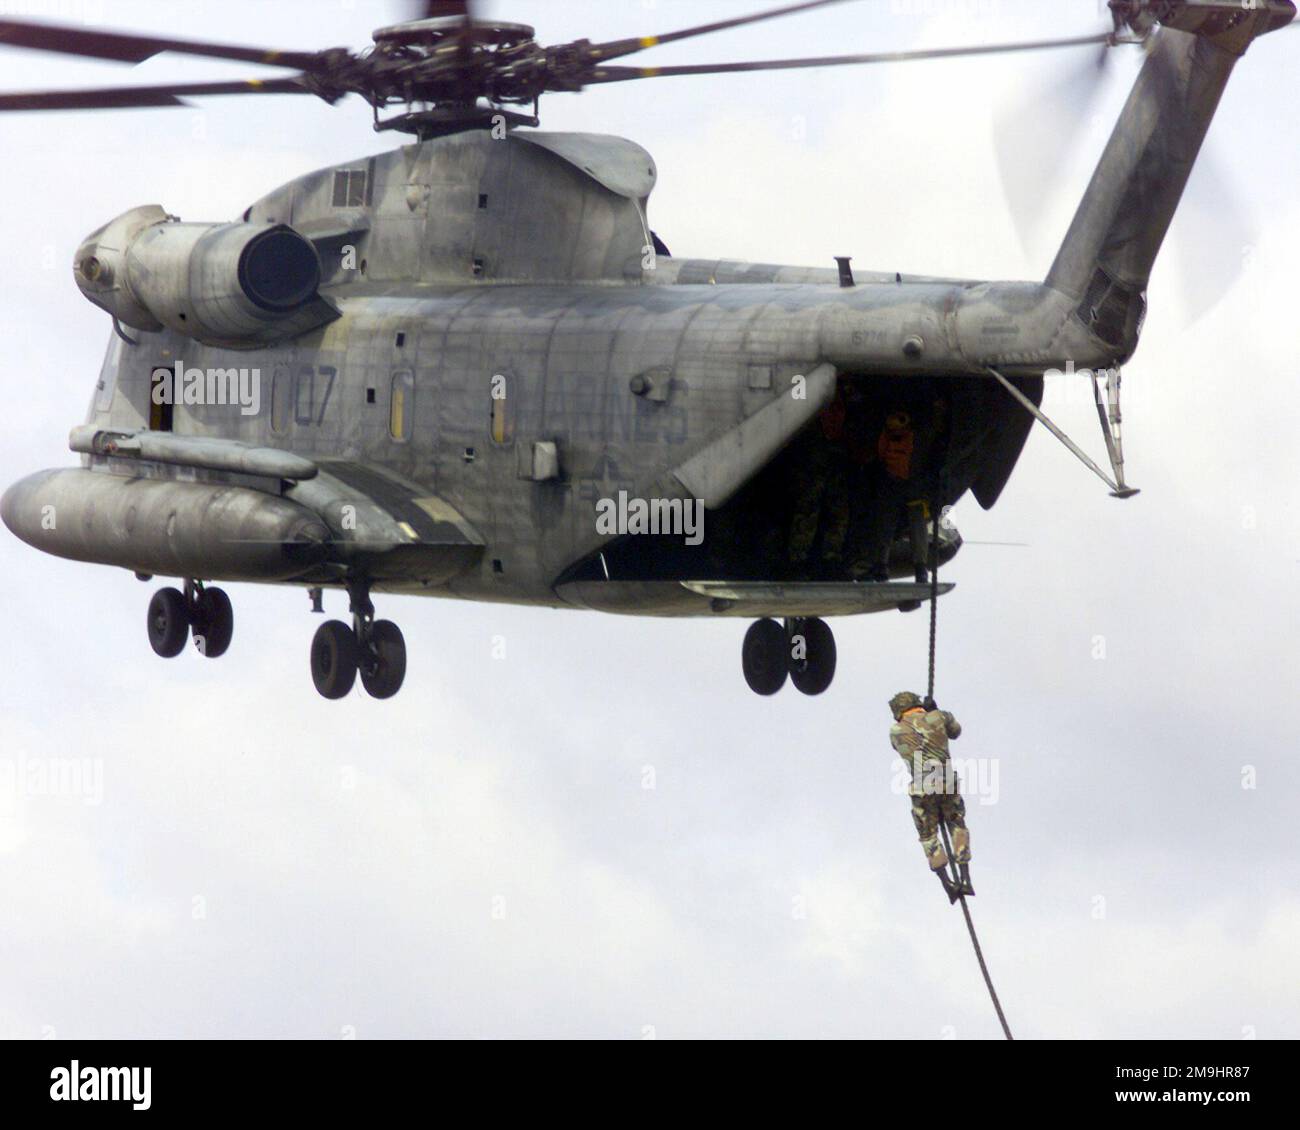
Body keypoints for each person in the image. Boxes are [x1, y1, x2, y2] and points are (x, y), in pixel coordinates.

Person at [888, 691, 973, 901]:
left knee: (928, 835)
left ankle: (948, 885)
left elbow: (901, 745)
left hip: (923, 785)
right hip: (946, 779)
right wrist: (933, 711)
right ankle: (965, 878)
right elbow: (956, 731)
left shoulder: (896, 731)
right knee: (956, 822)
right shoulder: (939, 717)